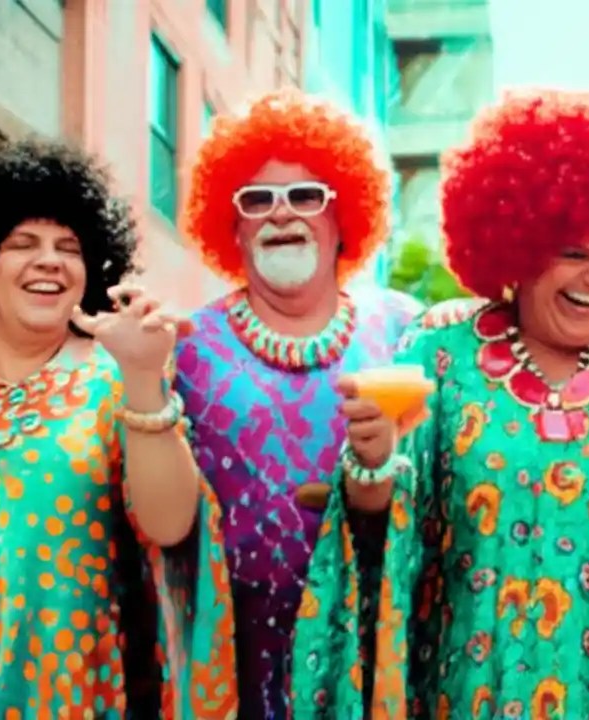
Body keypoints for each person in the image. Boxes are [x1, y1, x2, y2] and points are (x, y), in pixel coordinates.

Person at [288, 88, 589, 719]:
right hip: (465, 687)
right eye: (573, 253)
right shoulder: (442, 351)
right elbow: (385, 530)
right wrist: (372, 463)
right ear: (515, 246)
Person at [0, 140, 237, 718]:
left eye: (70, 248)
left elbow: (171, 527)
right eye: (22, 244)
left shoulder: (116, 380)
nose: (52, 261)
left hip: (82, 696)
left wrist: (140, 374)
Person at [177, 89, 421, 718]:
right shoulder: (186, 345)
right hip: (234, 653)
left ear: (345, 216)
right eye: (256, 200)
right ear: (231, 226)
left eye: (306, 196)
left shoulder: (404, 330)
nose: (281, 214)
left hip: (371, 644)